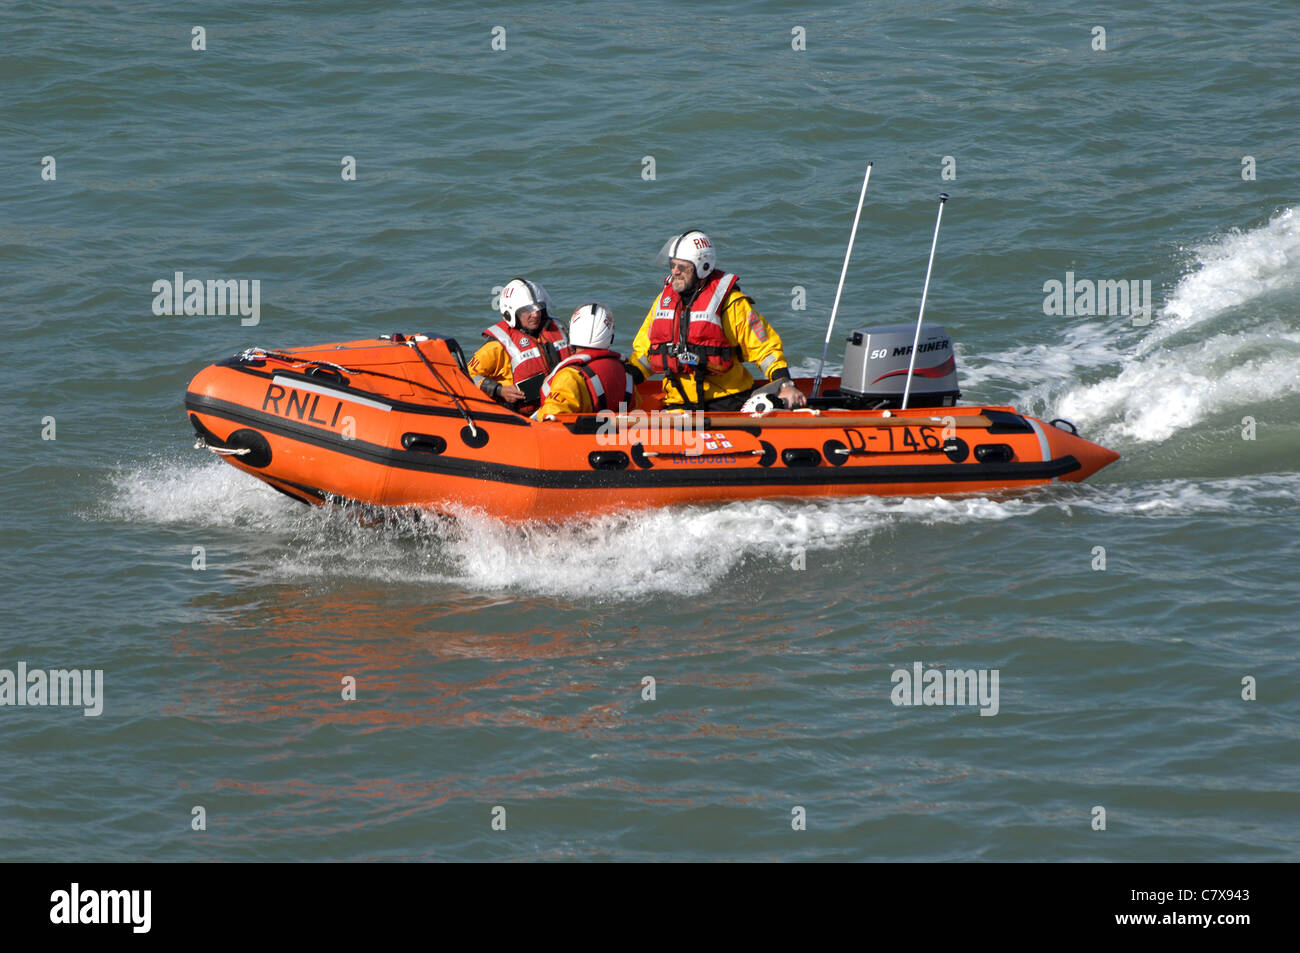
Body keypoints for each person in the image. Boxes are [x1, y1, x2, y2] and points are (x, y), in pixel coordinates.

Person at [626, 229, 808, 411]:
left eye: (682, 267)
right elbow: (646, 353)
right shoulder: (663, 302)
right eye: (672, 265)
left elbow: (765, 349)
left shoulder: (730, 303)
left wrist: (785, 384)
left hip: (728, 401)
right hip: (678, 404)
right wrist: (624, 378)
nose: (675, 271)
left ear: (702, 267)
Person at [468, 278, 573, 415]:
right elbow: (466, 375)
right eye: (528, 310)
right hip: (525, 417)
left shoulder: (559, 329)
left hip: (564, 406)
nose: (536, 314)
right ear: (511, 313)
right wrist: (499, 390)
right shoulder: (498, 345)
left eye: (538, 307)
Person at [532, 304, 638, 420]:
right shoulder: (625, 372)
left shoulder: (569, 376)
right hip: (617, 434)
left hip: (580, 435)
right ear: (610, 336)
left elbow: (551, 419)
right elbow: (635, 405)